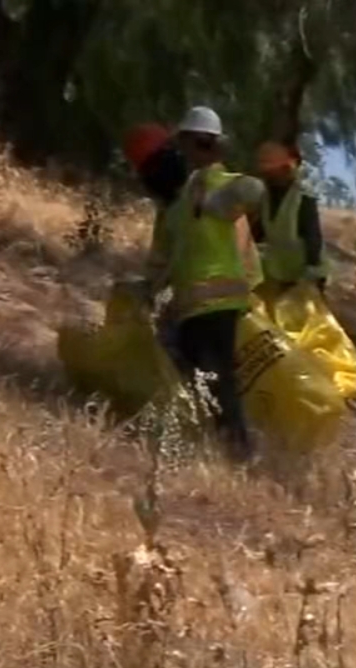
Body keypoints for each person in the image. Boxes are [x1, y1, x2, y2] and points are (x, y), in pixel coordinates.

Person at [134, 106, 266, 462]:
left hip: (220, 306)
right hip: (191, 307)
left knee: (218, 379)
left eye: (198, 143)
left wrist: (218, 200)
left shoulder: (218, 183)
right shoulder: (180, 202)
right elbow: (164, 256)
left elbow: (254, 189)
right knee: (200, 378)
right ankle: (217, 446)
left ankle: (239, 452)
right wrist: (146, 289)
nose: (190, 150)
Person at [249, 140, 327, 303]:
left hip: (304, 276)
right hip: (279, 273)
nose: (267, 176)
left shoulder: (303, 197)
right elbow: (260, 231)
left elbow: (313, 238)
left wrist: (309, 276)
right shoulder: (266, 199)